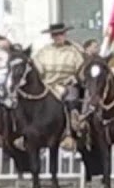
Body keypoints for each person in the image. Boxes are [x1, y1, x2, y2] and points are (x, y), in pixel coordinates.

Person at [31, 22, 87, 151]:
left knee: (70, 103)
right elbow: (37, 69)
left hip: (67, 85)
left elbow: (82, 70)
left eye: (60, 34)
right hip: (47, 85)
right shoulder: (44, 51)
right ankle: (26, 133)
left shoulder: (74, 51)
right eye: (55, 35)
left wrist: (74, 79)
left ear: (65, 35)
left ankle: (70, 134)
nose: (58, 37)